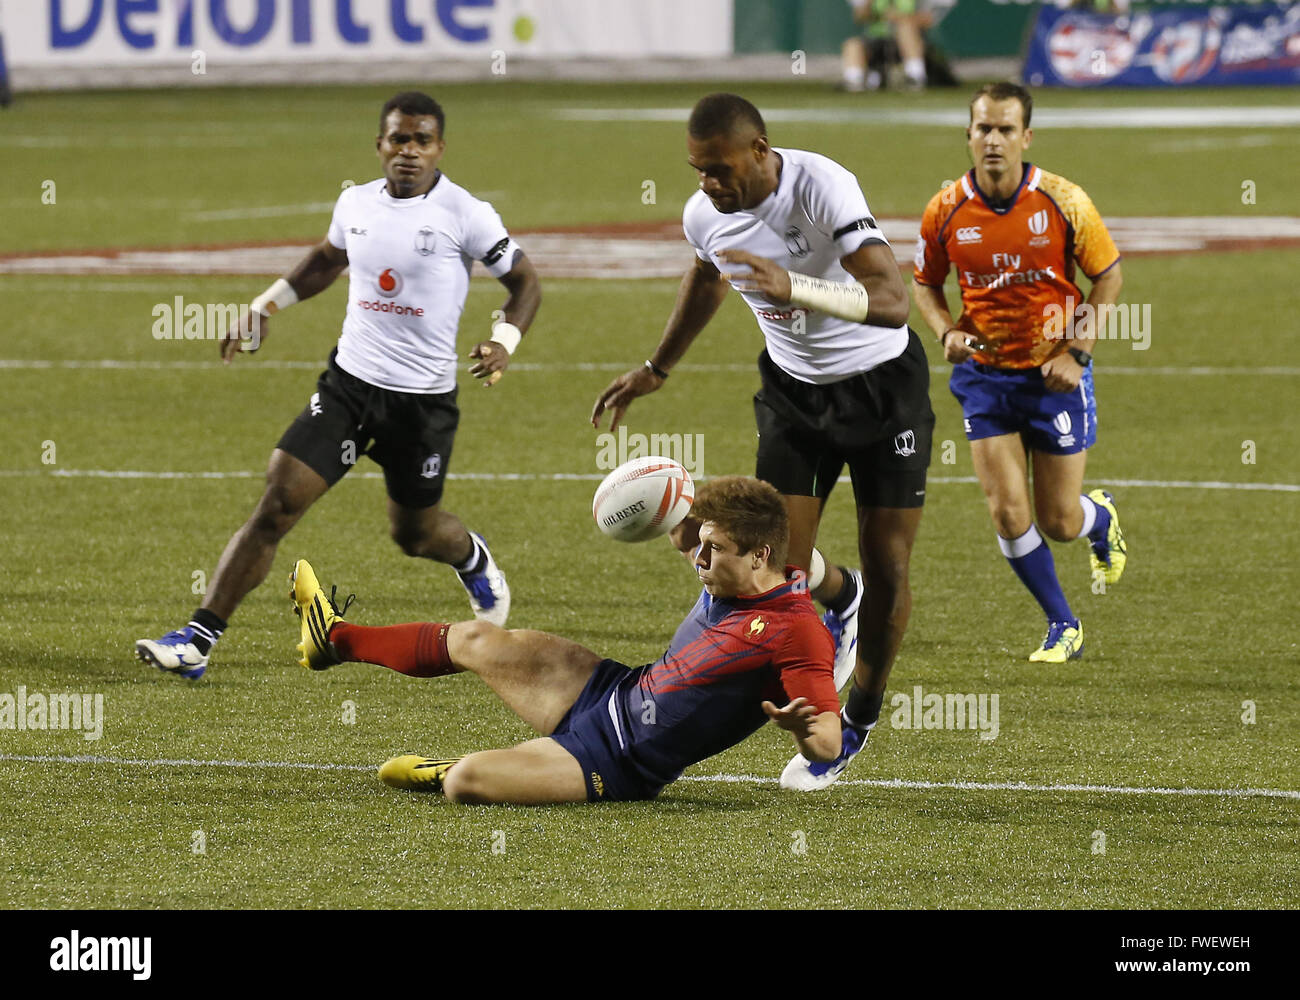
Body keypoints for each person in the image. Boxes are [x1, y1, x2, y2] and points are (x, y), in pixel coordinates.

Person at [591, 93, 934, 791]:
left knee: (891, 567)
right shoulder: (703, 215)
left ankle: (858, 718)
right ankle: (837, 605)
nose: (709, 185)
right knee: (776, 566)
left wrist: (799, 286)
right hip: (792, 397)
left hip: (881, 391)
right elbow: (707, 275)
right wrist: (656, 369)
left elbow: (892, 299)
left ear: (759, 151)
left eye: (719, 169)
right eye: (696, 172)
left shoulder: (822, 187)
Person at [136, 91, 540, 680]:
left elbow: (526, 284)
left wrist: (505, 341)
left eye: (421, 140)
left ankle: (472, 557)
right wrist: (265, 305)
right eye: (398, 138)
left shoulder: (466, 214)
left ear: (440, 149)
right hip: (348, 387)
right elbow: (328, 260)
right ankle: (197, 639)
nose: (409, 151)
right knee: (277, 503)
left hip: (422, 405)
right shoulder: (355, 202)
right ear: (379, 145)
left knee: (415, 533)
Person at [290, 476, 841, 805]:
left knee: (467, 783)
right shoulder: (726, 559)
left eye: (712, 550)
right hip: (611, 691)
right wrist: (663, 488)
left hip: (622, 759)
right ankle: (334, 638)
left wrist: (803, 729)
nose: (697, 558)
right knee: (478, 639)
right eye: (700, 543)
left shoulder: (797, 632)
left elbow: (830, 746)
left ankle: (463, 766)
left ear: (760, 557)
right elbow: (682, 526)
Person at [912, 82, 1127, 663]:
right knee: (1008, 513)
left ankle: (1098, 516)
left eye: (1006, 129)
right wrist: (945, 332)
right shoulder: (945, 210)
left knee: (1059, 520)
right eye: (984, 128)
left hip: (1053, 377)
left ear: (1026, 137)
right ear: (968, 135)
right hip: (984, 379)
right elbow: (925, 282)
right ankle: (1063, 624)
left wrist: (1077, 352)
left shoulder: (1063, 200)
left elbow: (1108, 275)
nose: (994, 140)